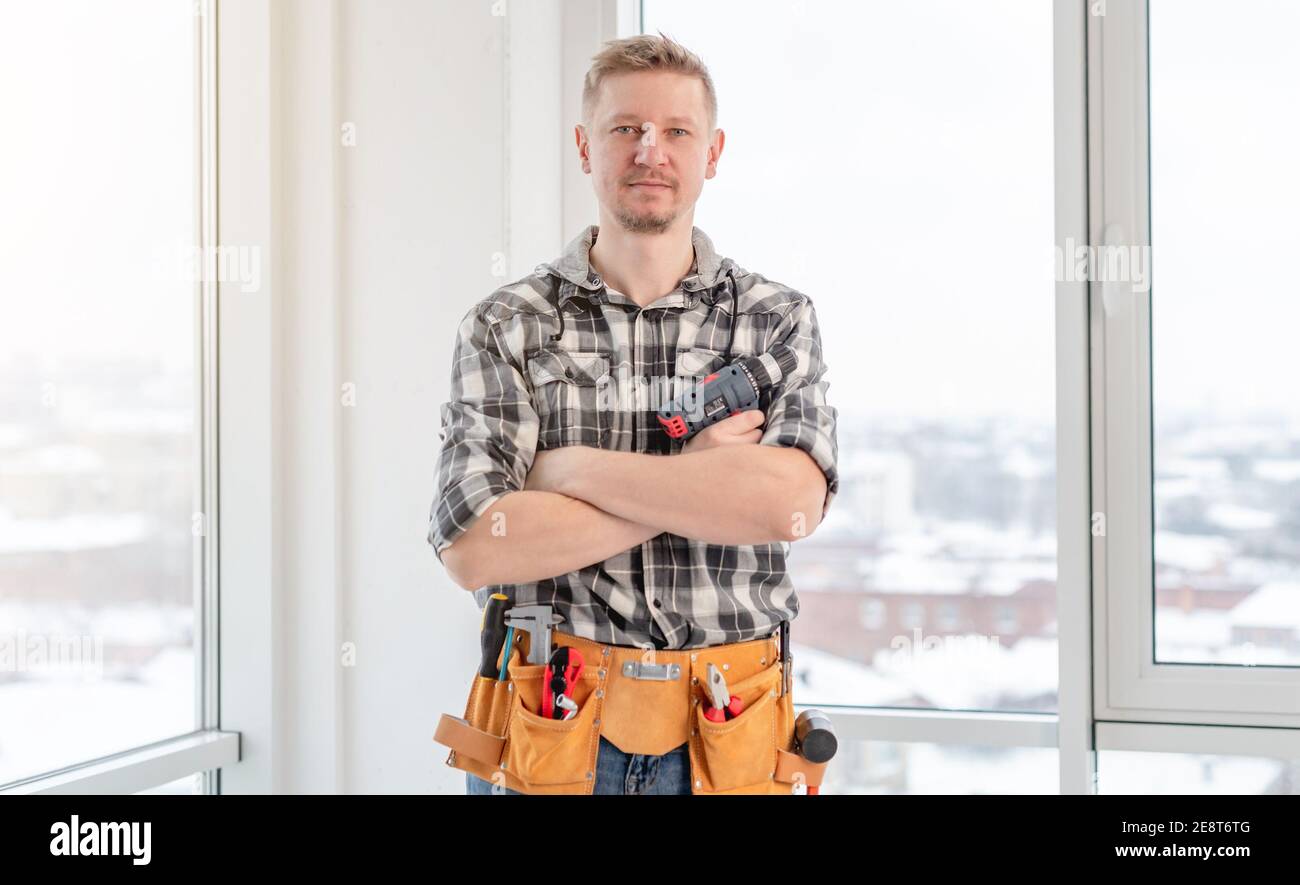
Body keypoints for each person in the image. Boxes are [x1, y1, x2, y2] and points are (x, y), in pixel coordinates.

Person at [429, 32, 839, 796]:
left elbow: (787, 506)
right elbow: (475, 549)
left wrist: (573, 472)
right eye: (626, 129)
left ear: (712, 153)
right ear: (586, 147)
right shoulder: (506, 324)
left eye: (676, 131)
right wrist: (695, 480)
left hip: (732, 734)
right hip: (551, 729)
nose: (651, 150)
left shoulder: (777, 320)